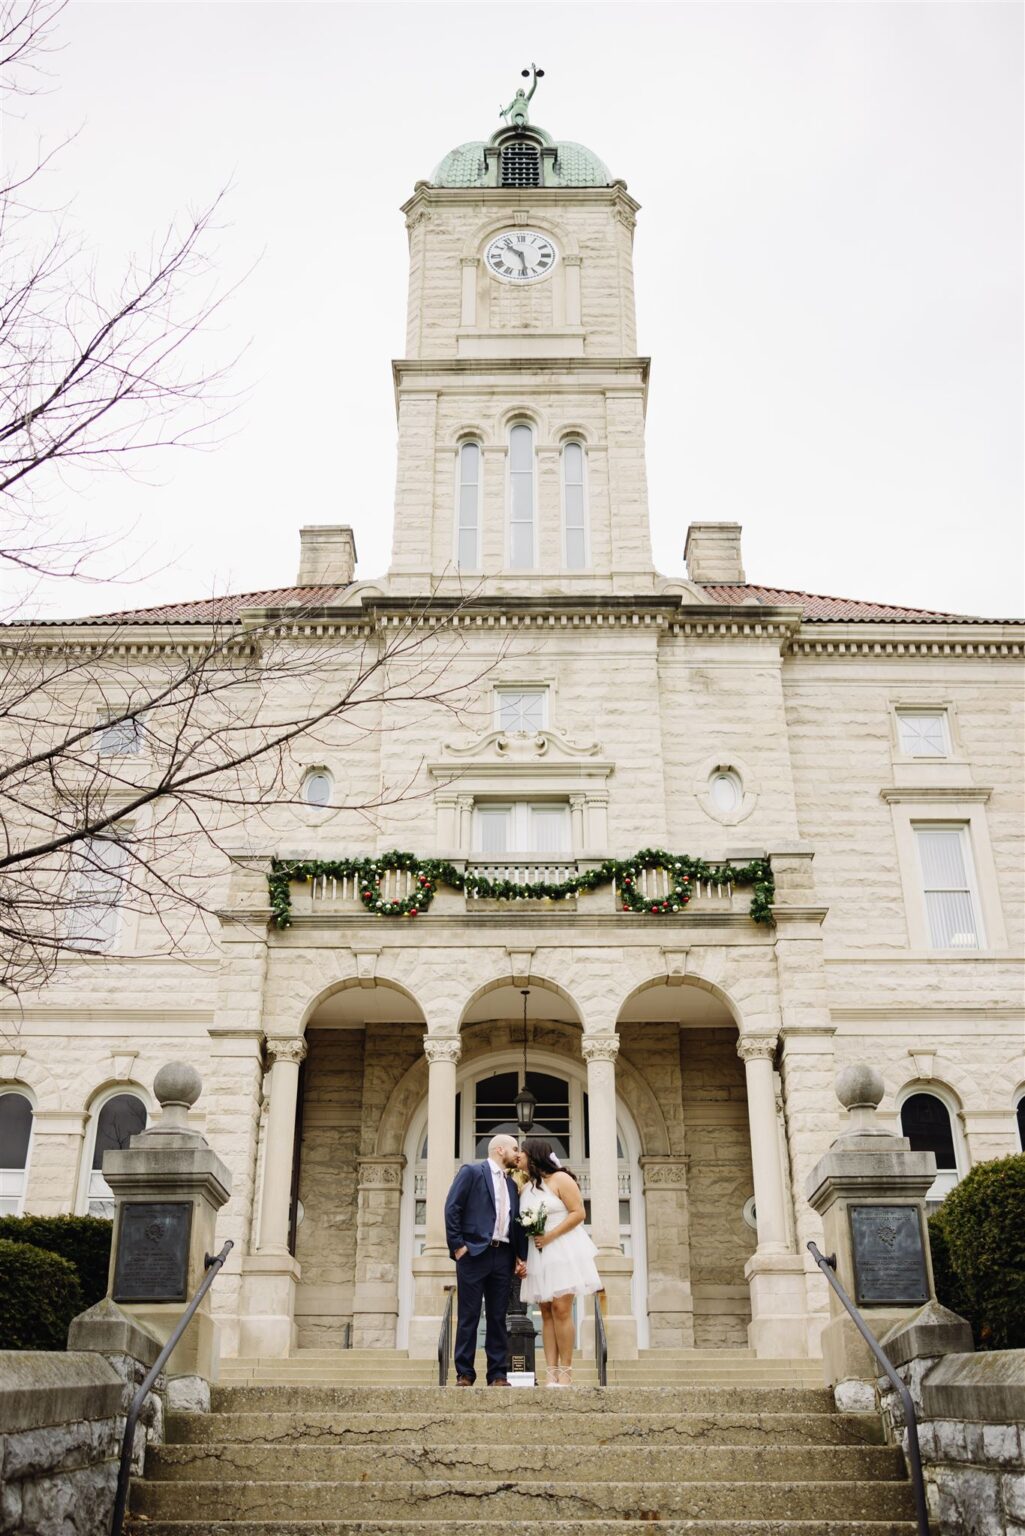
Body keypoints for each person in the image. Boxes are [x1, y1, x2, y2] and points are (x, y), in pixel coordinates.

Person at [444, 1132, 529, 1386]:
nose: (518, 1153)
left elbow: (515, 1223)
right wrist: (458, 1247)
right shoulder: (471, 1172)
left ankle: (497, 1374)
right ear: (500, 1150)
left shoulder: (512, 1185)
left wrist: (518, 1256)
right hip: (473, 1254)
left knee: (497, 1316)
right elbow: (452, 1208)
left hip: (502, 1256)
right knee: (469, 1315)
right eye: (515, 1148)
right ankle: (465, 1373)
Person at [516, 1136, 601, 1387]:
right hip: (538, 1253)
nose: (518, 1156)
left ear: (534, 1155)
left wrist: (550, 1235)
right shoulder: (526, 1187)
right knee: (545, 1311)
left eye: (522, 1152)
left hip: (562, 1249)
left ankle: (566, 1370)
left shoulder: (561, 1179)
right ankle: (550, 1371)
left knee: (561, 1309)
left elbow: (579, 1213)